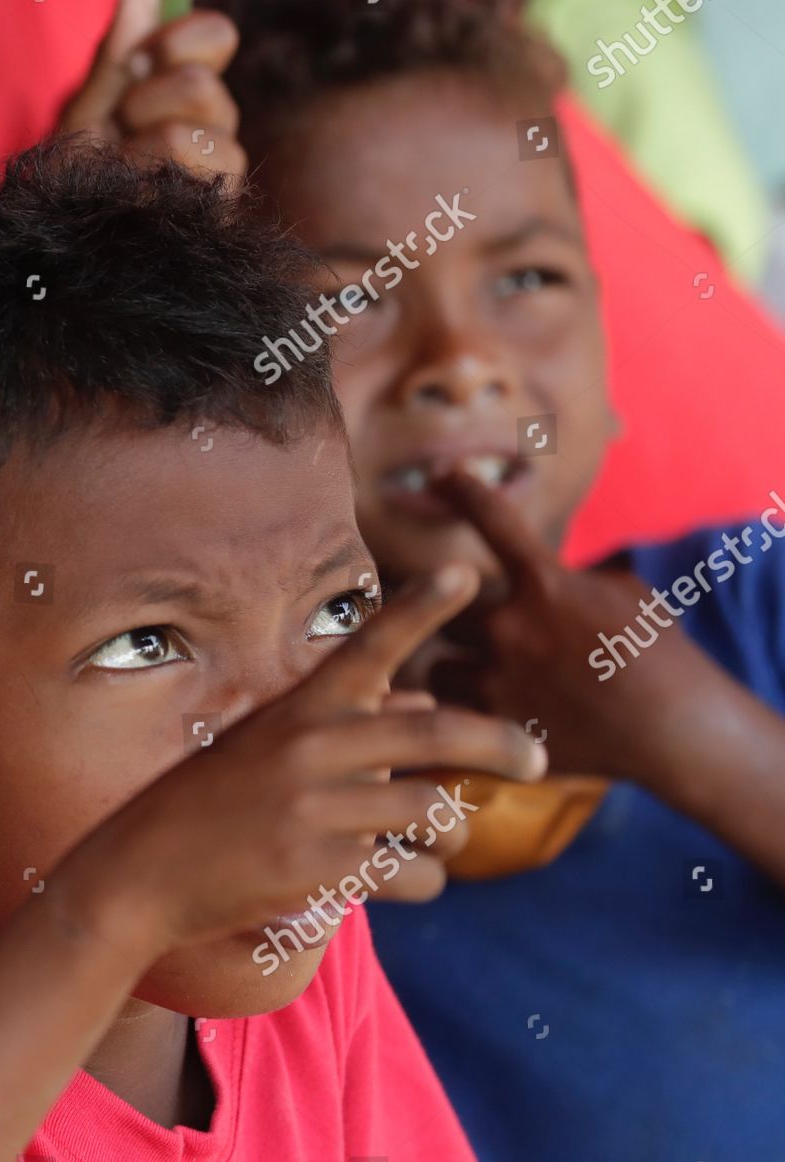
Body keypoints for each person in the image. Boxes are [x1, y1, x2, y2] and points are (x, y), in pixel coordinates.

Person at [0, 140, 548, 1159]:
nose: (291, 728)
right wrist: (116, 908)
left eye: (335, 614)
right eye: (148, 642)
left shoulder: (293, 934)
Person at [227, 2, 785, 1156]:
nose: (463, 361)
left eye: (525, 278)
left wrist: (697, 739)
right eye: (350, 300)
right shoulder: (224, 766)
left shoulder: (752, 606)